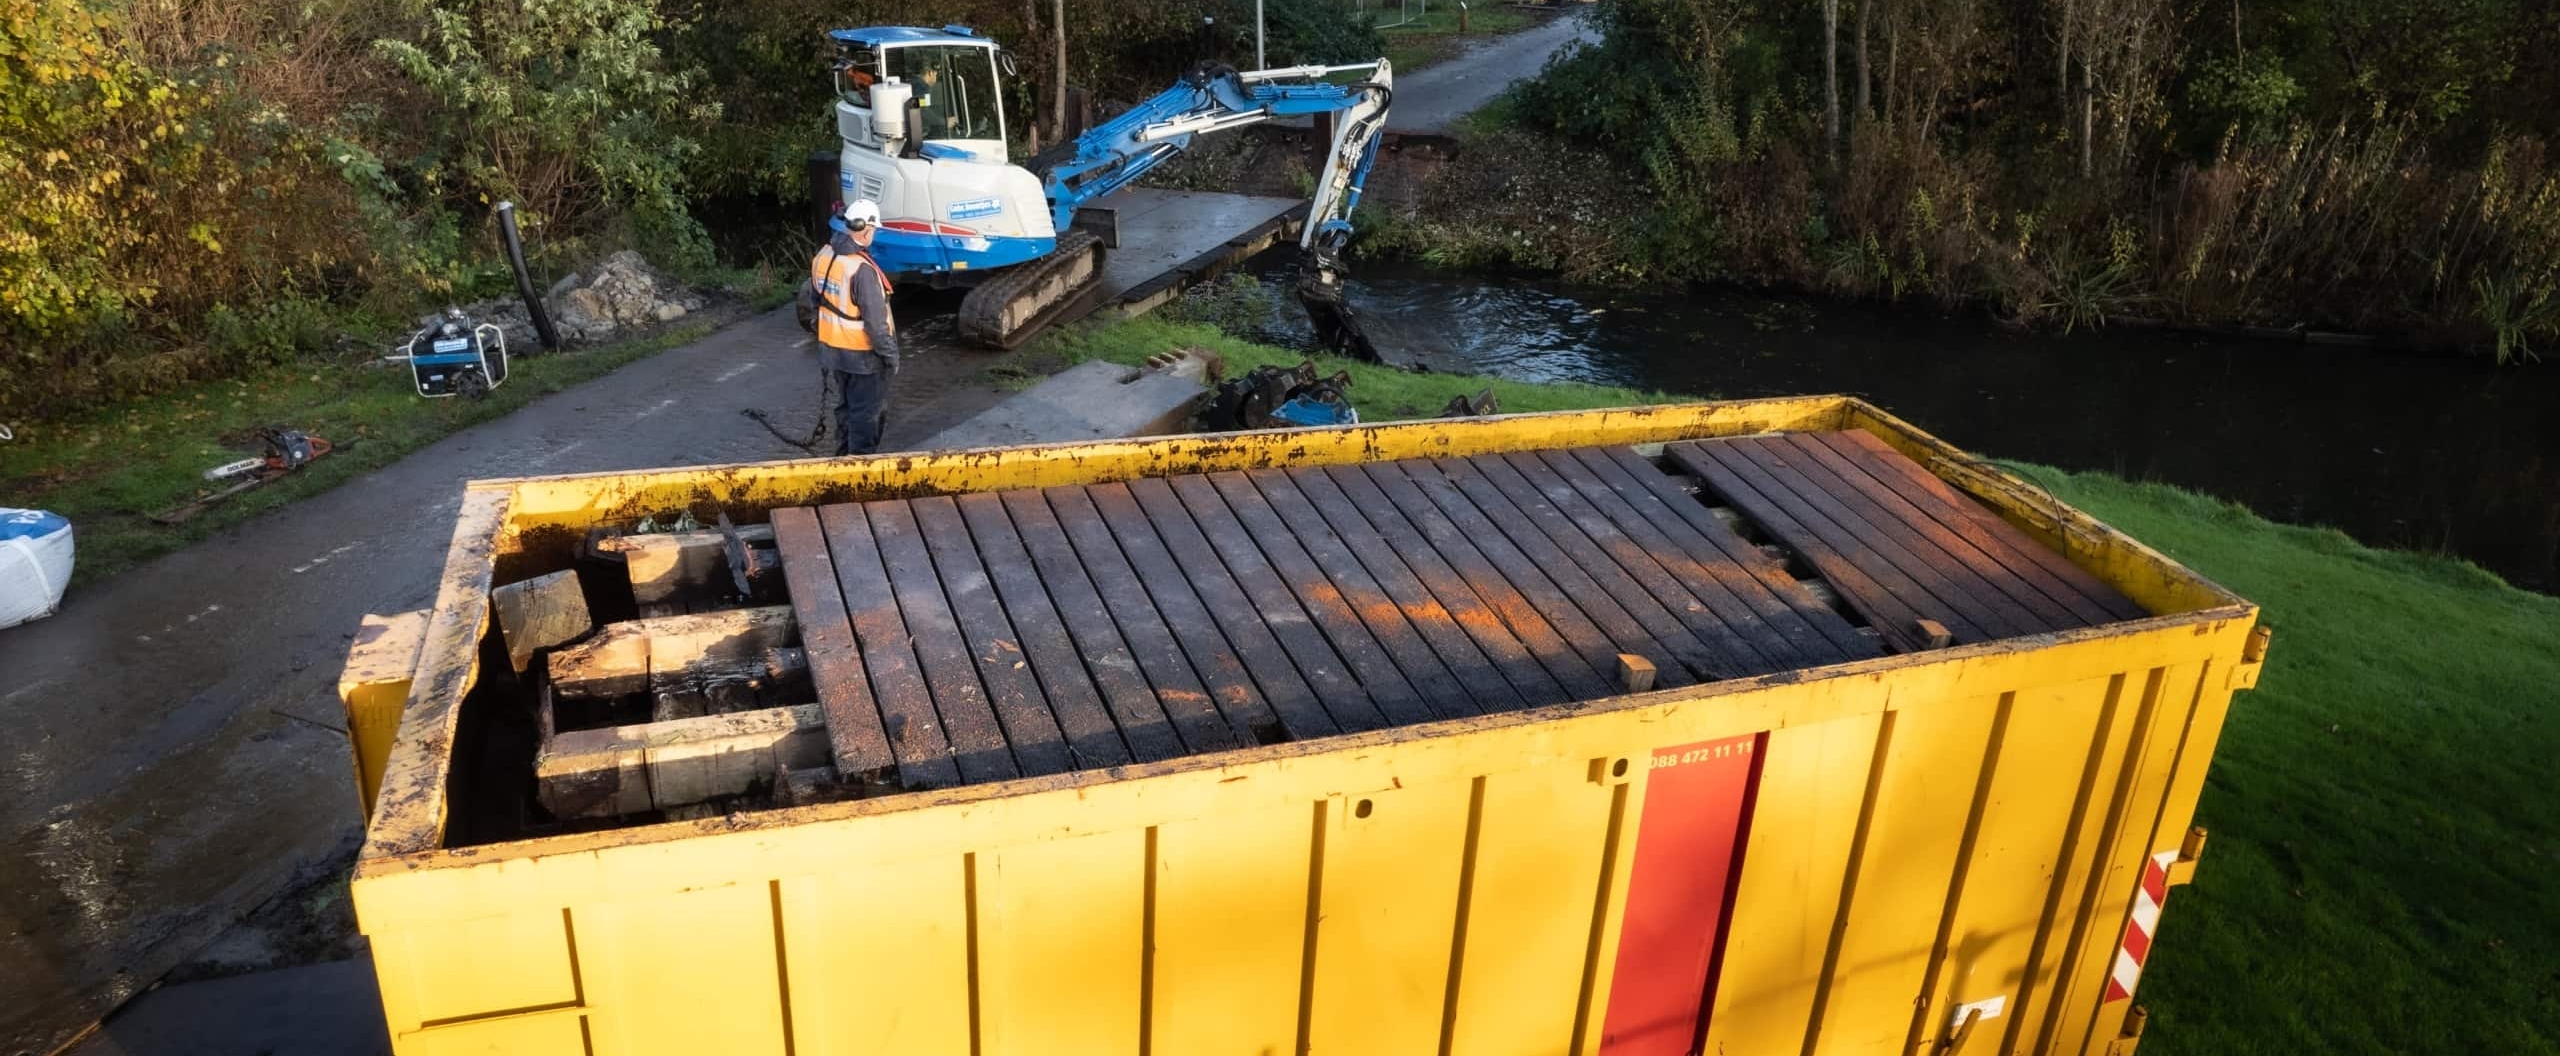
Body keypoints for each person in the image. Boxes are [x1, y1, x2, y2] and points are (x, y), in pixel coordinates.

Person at [806, 199, 900, 455]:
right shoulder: (862, 270)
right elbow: (877, 328)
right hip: (863, 358)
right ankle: (860, 468)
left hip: (834, 353)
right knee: (866, 419)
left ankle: (841, 460)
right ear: (866, 230)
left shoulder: (823, 256)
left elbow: (814, 303)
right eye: (874, 229)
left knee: (846, 411)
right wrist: (891, 357)